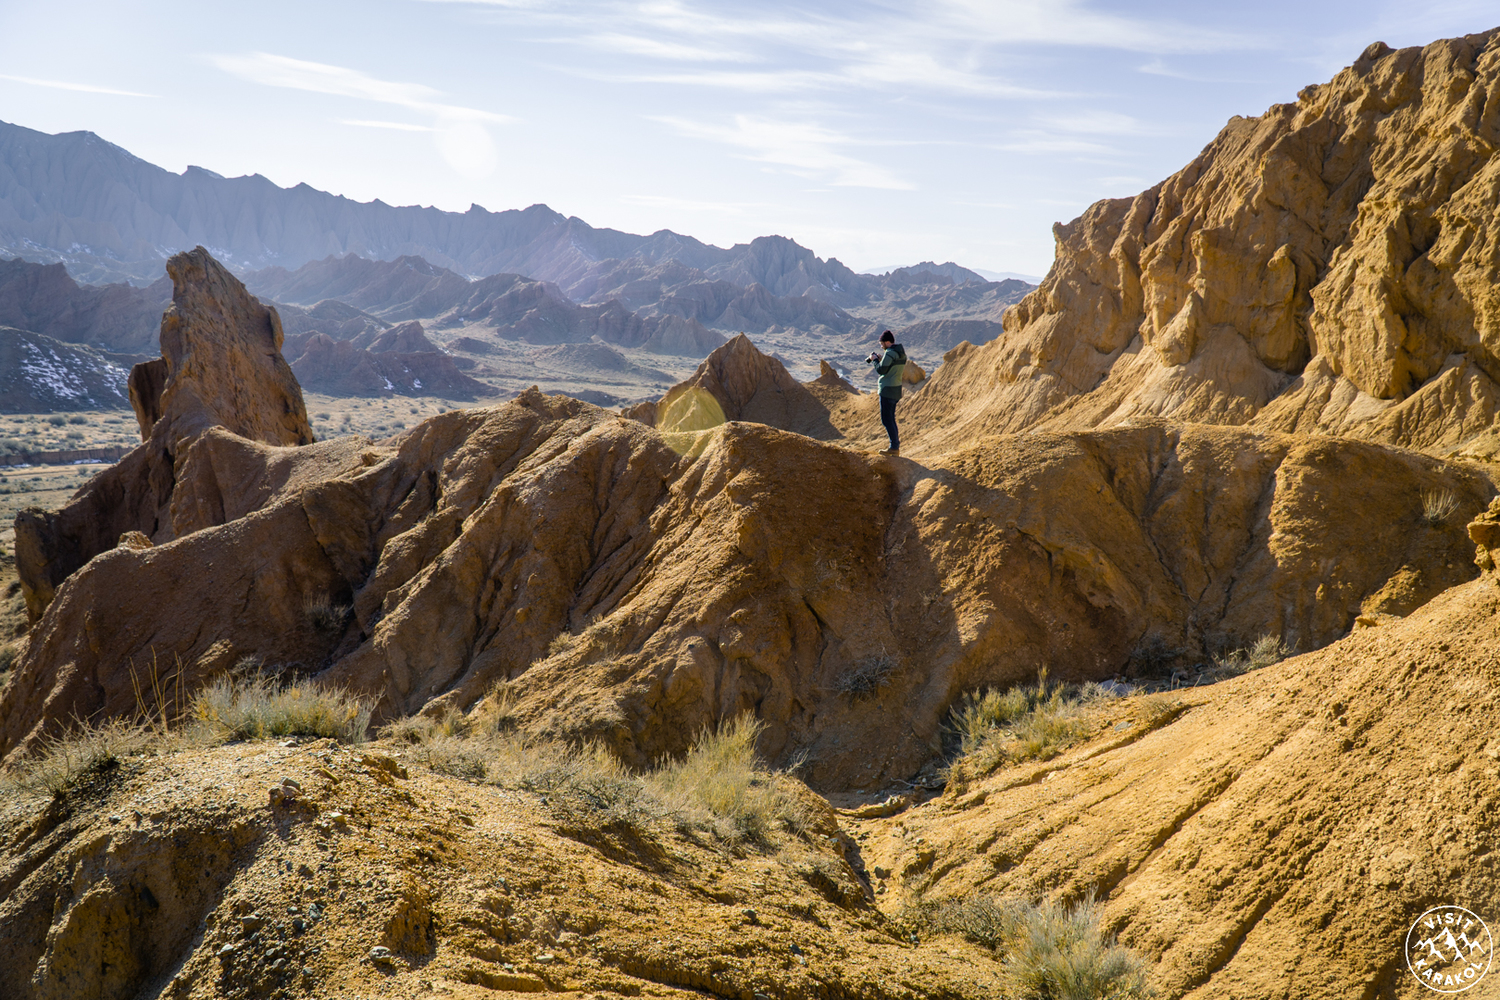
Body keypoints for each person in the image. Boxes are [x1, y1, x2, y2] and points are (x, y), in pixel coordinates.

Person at [866, 330, 906, 455]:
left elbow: (881, 370)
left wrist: (874, 360)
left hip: (887, 389)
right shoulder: (900, 353)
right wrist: (882, 359)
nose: (881, 346)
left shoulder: (889, 353)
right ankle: (895, 446)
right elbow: (892, 367)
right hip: (896, 389)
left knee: (887, 420)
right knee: (891, 419)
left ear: (887, 342)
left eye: (881, 343)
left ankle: (894, 447)